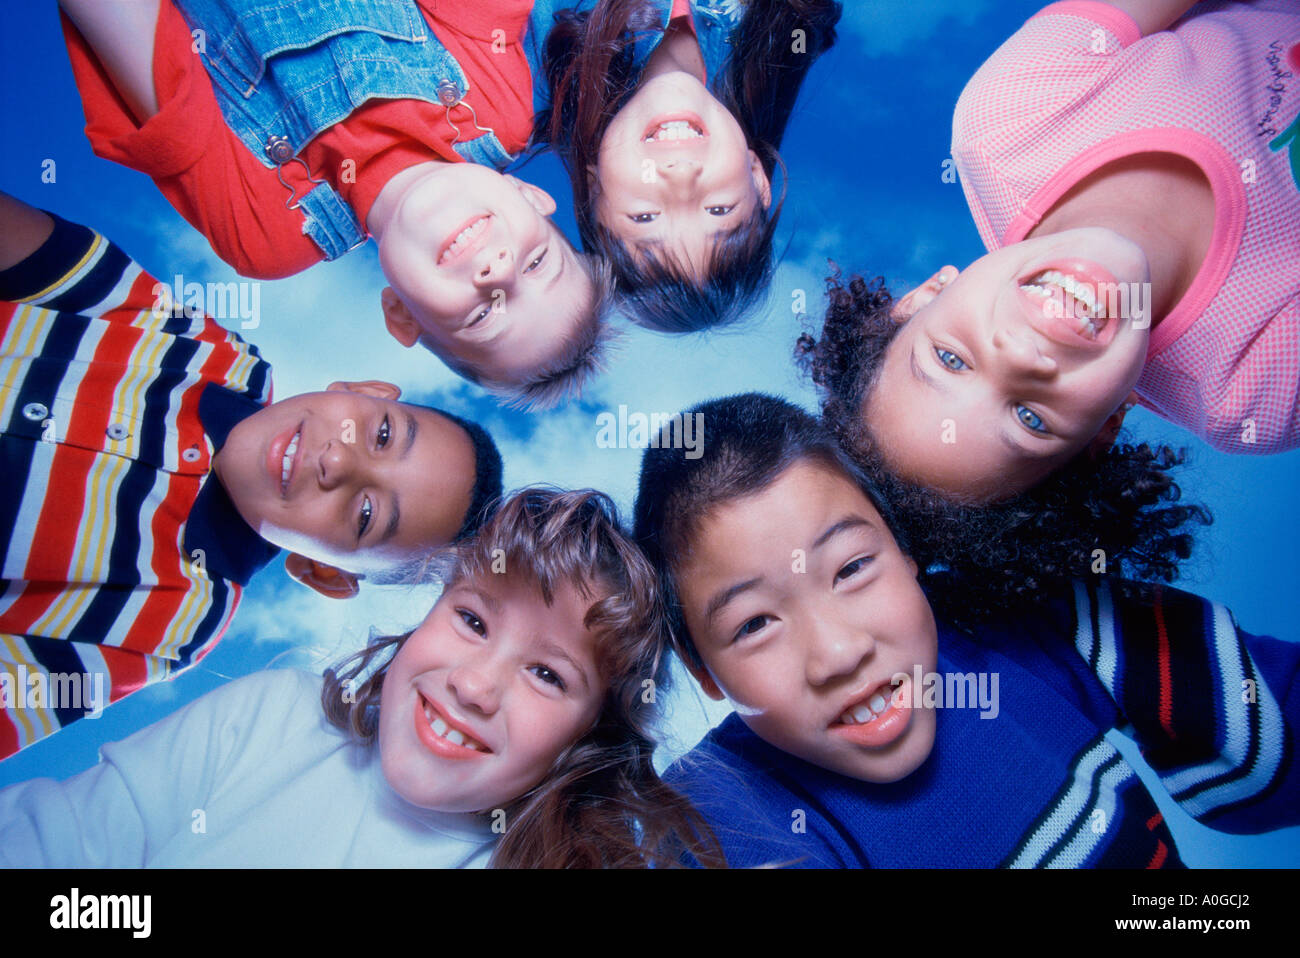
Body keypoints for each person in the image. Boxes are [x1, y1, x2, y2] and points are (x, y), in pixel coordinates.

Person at [633, 393, 1298, 866]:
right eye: (754, 624)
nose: (837, 652)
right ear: (702, 672)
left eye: (853, 568)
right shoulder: (710, 818)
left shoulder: (1017, 621)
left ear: (907, 552)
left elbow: (1271, 732)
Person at [0, 194, 503, 759]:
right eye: (382, 434)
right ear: (366, 389)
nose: (337, 461)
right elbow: (48, 260)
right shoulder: (212, 356)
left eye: (366, 516)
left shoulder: (173, 619)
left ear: (324, 573)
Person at [0, 489, 724, 869]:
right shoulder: (273, 719)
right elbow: (58, 849)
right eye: (472, 622)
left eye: (546, 674)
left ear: (584, 742)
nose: (475, 686)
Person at [799, 0, 1298, 500]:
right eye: (1030, 418)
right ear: (1102, 432)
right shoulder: (1251, 391)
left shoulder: (1009, 120)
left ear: (929, 294)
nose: (1020, 356)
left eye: (951, 360)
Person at [59, 0, 617, 408]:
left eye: (483, 314)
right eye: (538, 263)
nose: (497, 272)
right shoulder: (497, 107)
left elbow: (143, 53)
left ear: (402, 316)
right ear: (532, 195)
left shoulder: (270, 235)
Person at [536, 0, 841, 332]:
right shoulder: (765, 18)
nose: (682, 175)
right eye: (718, 209)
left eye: (645, 217)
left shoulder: (517, 82)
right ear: (756, 175)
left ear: (594, 189)